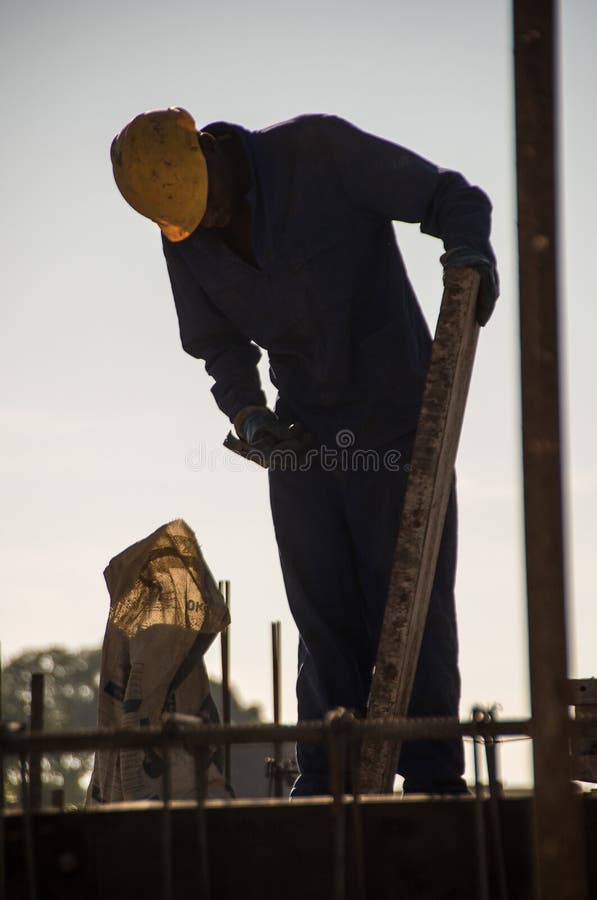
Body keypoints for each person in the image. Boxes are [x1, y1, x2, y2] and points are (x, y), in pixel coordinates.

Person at [111, 107, 498, 797]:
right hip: (303, 441)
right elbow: (218, 345)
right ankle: (327, 782)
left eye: (219, 206)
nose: (215, 225)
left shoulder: (318, 153)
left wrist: (467, 253)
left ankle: (434, 782)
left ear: (212, 153)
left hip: (398, 424)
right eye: (198, 224)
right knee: (321, 617)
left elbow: (453, 198)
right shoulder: (186, 232)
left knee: (409, 605)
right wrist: (249, 412)